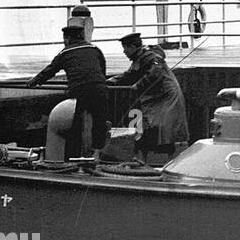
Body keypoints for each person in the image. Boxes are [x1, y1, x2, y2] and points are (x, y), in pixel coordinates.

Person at [26, 25, 110, 157]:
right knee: (99, 122)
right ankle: (97, 153)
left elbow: (50, 70)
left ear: (68, 38)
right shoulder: (95, 49)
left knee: (75, 123)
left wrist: (34, 81)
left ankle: (73, 155)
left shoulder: (65, 53)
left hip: (79, 90)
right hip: (100, 89)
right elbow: (102, 70)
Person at [110, 32, 190, 163]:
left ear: (132, 47)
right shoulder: (140, 57)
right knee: (149, 126)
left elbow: (155, 74)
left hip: (166, 95)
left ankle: (168, 159)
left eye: (125, 48)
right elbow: (129, 75)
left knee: (165, 128)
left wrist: (138, 85)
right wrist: (111, 81)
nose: (124, 52)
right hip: (155, 96)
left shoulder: (151, 56)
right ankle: (147, 158)